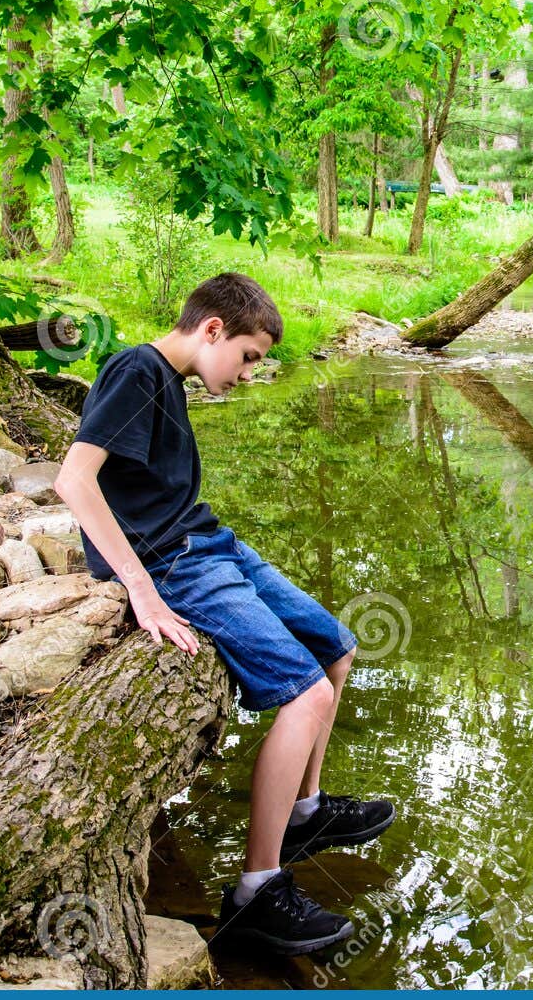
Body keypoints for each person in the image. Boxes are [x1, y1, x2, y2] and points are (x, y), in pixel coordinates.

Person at [54, 272, 395, 955]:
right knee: (304, 694)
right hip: (177, 563)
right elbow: (72, 479)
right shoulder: (136, 370)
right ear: (212, 329)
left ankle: (305, 810)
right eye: (248, 358)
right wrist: (141, 591)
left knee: (337, 646)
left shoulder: (164, 379)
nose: (246, 376)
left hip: (211, 542)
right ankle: (257, 893)